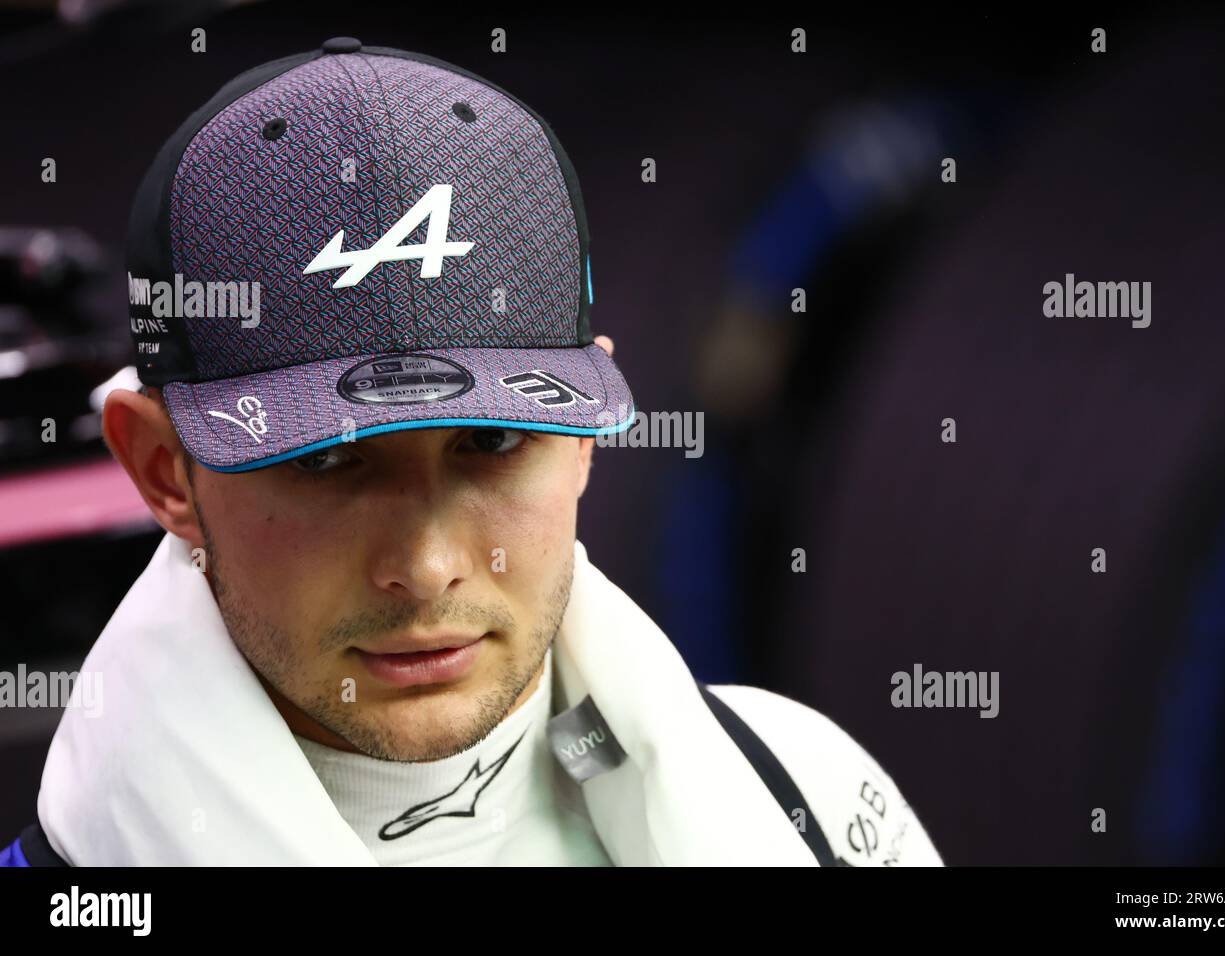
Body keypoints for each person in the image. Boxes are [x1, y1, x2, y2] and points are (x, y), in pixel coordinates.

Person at [1, 39, 941, 867]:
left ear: (582, 440)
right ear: (165, 472)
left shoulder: (810, 799)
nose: (429, 567)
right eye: (326, 460)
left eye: (493, 441)